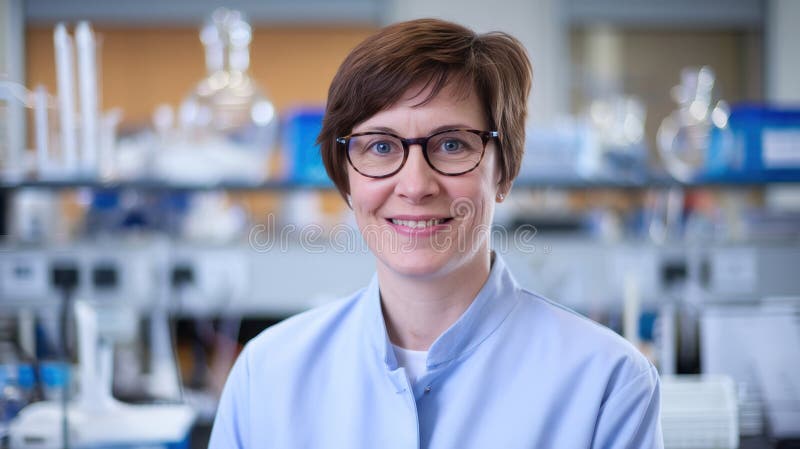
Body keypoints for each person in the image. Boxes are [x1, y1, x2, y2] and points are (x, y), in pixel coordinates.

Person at [209, 18, 663, 449]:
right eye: (381, 147)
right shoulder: (267, 375)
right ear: (346, 178)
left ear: (504, 171)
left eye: (451, 145)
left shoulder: (607, 382)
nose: (415, 186)